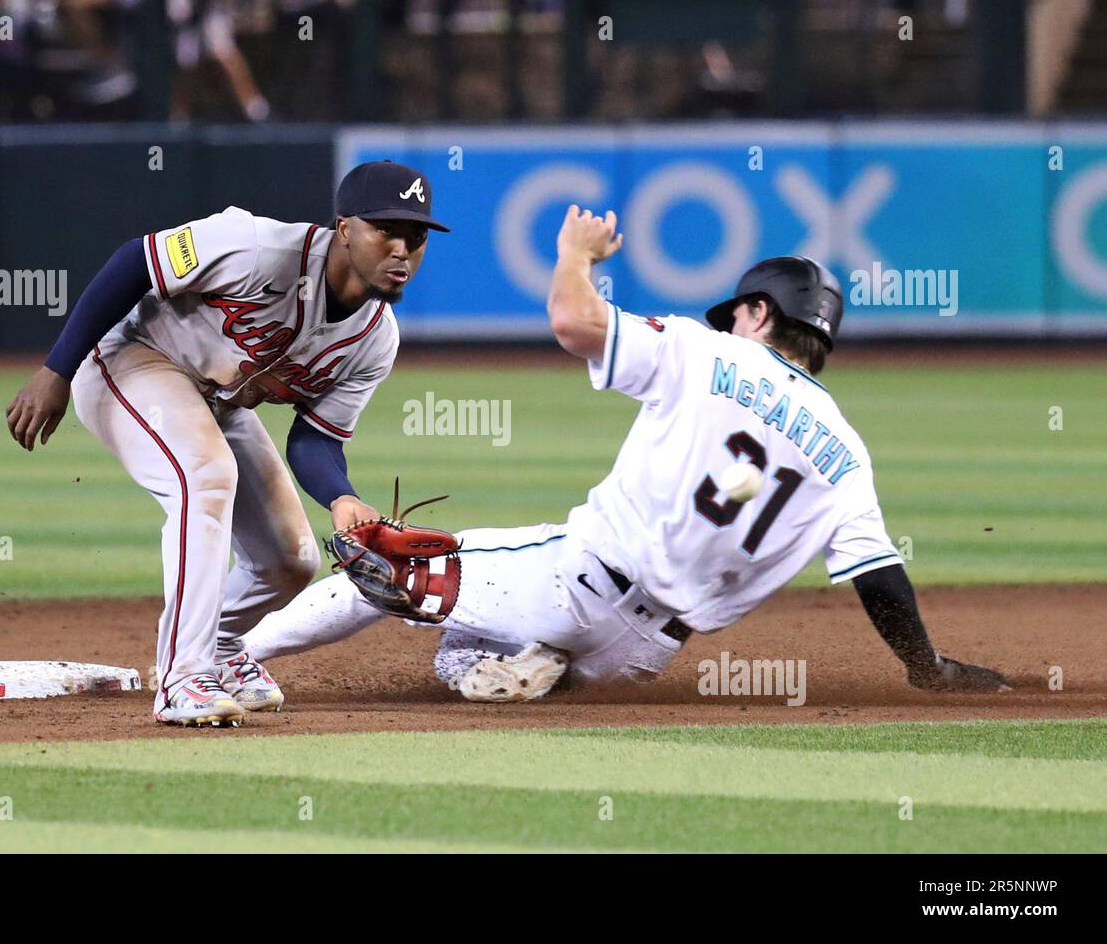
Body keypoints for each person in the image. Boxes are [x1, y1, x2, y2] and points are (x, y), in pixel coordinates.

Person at [235, 206, 1009, 702]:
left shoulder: (709, 353)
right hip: (645, 652)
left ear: (758, 311)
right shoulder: (847, 451)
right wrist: (926, 667)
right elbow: (880, 575)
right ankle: (519, 669)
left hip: (574, 581)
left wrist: (577, 254)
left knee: (382, 570)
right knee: (465, 643)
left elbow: (575, 323)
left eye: (737, 310)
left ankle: (222, 657)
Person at [5, 161, 448, 725]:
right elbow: (134, 261)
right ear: (344, 228)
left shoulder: (375, 340)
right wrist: (56, 370)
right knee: (205, 476)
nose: (402, 250)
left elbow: (315, 439)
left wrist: (341, 498)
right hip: (133, 357)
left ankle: (218, 649)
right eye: (386, 230)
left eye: (416, 237)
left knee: (291, 559)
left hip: (215, 397)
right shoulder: (256, 247)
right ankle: (181, 677)